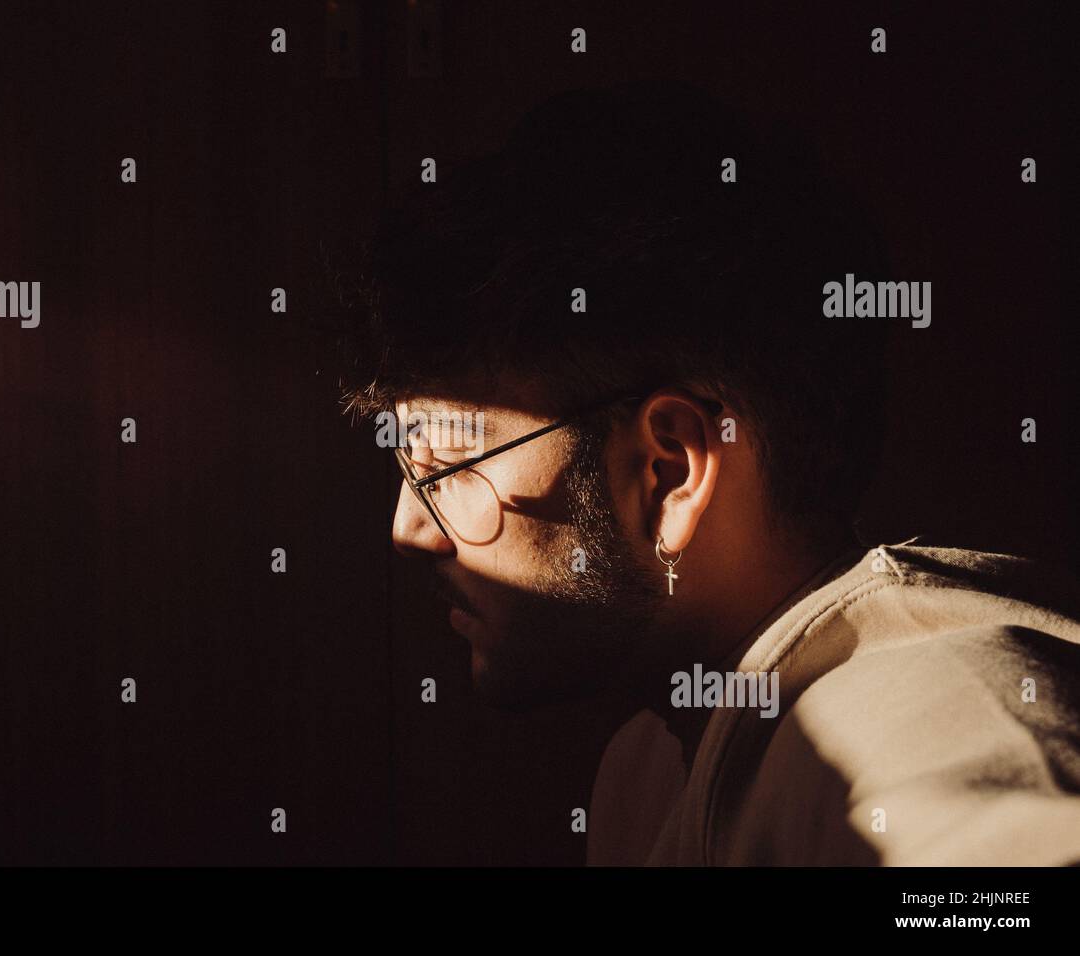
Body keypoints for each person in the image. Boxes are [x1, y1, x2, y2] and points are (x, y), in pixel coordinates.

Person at [326, 82, 1080, 865]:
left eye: (447, 466)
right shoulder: (647, 762)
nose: (408, 528)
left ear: (669, 471)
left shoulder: (930, 718)